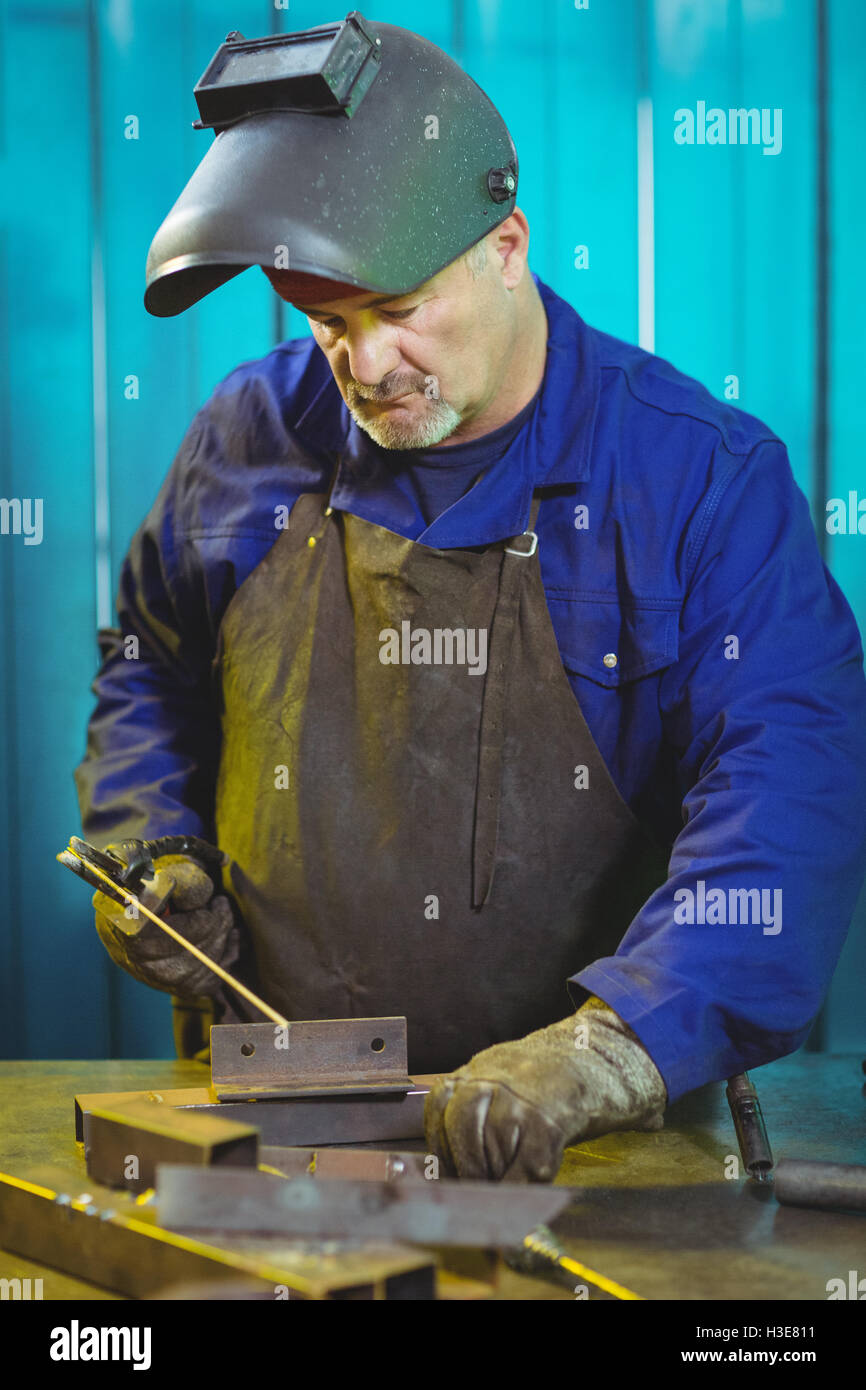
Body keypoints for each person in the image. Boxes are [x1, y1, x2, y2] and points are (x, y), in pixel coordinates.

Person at [75, 16, 866, 1182]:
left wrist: (609, 1051)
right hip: (272, 1130)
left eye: (397, 309)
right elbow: (147, 673)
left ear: (507, 246)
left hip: (593, 1156)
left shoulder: (697, 479)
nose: (367, 364)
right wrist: (151, 846)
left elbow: (789, 796)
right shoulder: (246, 438)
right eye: (328, 324)